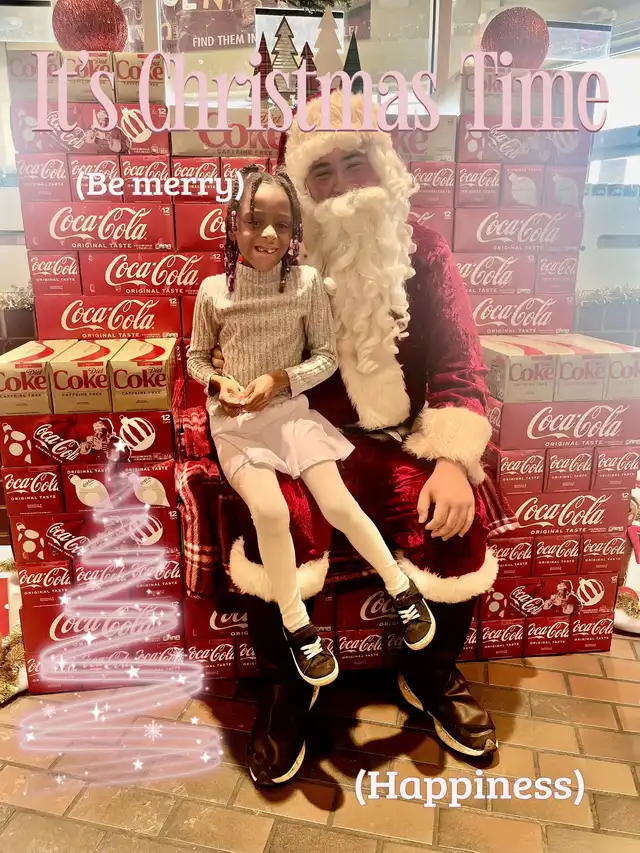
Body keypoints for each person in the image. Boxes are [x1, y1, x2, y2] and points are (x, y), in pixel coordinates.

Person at [212, 91, 517, 787]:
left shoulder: (425, 252)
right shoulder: (268, 261)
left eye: (356, 163)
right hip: (296, 437)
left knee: (449, 510)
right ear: (300, 189)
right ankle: (290, 687)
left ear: (384, 166)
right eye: (322, 173)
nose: (344, 186)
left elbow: (460, 364)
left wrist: (450, 457)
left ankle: (430, 673)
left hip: (394, 441)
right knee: (278, 519)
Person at [187, 165, 436, 689]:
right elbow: (195, 359)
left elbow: (324, 357)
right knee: (270, 512)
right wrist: (218, 383)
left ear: (295, 231)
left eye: (281, 224)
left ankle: (402, 589)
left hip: (291, 414)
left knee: (339, 503)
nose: (268, 234)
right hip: (236, 424)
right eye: (254, 221)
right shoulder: (212, 292)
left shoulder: (305, 285)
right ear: (233, 225)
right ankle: (297, 625)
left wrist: (281, 378)